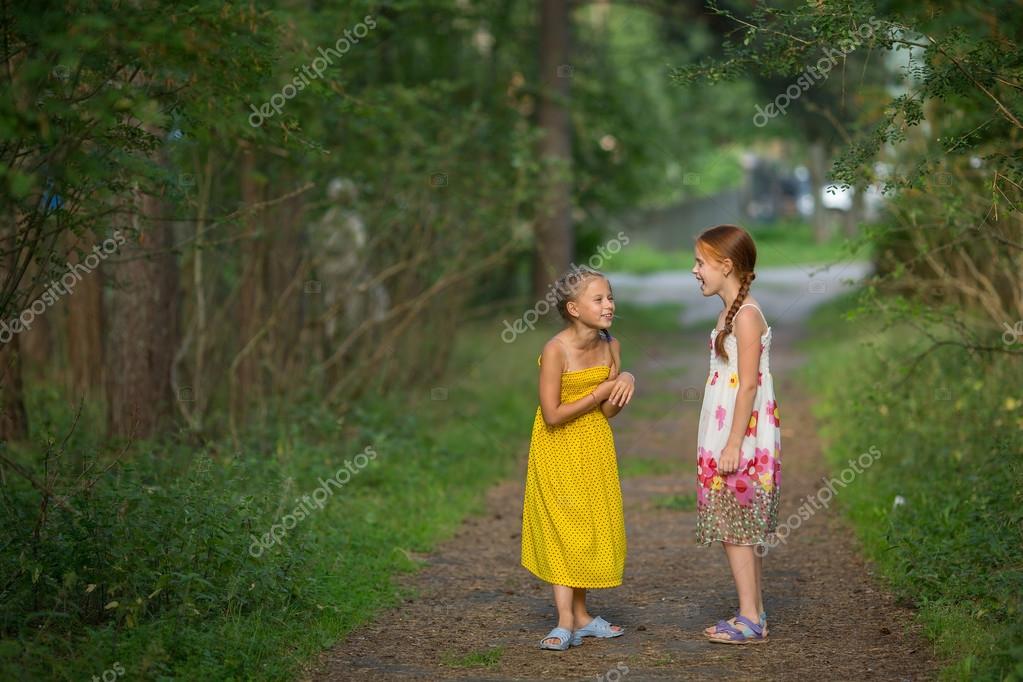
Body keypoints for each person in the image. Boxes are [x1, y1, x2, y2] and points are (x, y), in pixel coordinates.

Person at [520, 267, 636, 651]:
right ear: (573, 308)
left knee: (588, 527)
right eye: (598, 299)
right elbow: (552, 413)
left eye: (610, 297)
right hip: (557, 445)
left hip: (595, 446)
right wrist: (600, 389)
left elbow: (607, 414)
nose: (609, 305)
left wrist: (624, 382)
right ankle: (565, 620)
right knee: (564, 527)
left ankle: (583, 617)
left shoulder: (611, 346)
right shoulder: (556, 349)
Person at [691, 224, 781, 644]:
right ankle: (754, 611)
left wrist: (732, 444)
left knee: (736, 526)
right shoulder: (729, 312)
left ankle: (749, 616)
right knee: (739, 524)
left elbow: (747, 385)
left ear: (725, 266)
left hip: (739, 436)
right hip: (725, 430)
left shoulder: (746, 317)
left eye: (700, 263)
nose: (694, 271)